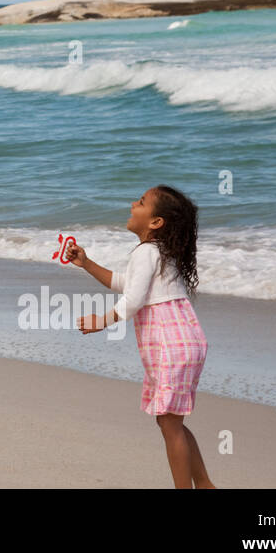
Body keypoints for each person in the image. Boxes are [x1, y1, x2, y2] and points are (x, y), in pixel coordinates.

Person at [64, 185, 214, 488]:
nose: (133, 203)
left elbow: (132, 302)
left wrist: (101, 321)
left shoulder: (147, 252)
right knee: (171, 421)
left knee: (170, 424)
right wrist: (87, 263)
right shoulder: (159, 253)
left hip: (170, 344)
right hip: (185, 341)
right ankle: (206, 486)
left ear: (156, 222)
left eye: (141, 202)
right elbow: (126, 284)